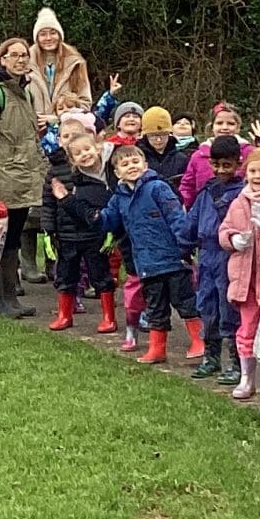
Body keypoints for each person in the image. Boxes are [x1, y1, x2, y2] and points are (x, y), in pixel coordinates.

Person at [0, 37, 45, 319]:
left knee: (13, 238)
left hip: (22, 179)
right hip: (1, 179)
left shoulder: (26, 93)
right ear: (2, 60)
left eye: (25, 55)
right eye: (13, 55)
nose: (20, 60)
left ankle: (11, 298)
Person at [102, 143, 195, 367]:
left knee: (185, 303)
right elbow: (108, 221)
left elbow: (177, 218)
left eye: (135, 162)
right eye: (125, 164)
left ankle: (199, 341)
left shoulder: (158, 188)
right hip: (146, 264)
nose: (131, 167)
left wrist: (185, 247)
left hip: (173, 260)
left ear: (145, 164)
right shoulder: (119, 198)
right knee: (155, 309)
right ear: (117, 173)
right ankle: (157, 348)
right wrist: (85, 212)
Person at [218, 141, 260, 401]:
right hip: (245, 279)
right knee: (247, 329)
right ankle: (247, 378)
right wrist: (233, 239)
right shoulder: (239, 202)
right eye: (253, 172)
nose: (258, 177)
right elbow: (223, 231)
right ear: (245, 174)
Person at [181, 134, 248, 381]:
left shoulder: (242, 194)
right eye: (216, 164)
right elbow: (192, 223)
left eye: (227, 165)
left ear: (238, 163)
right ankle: (211, 357)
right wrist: (184, 246)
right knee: (206, 306)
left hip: (230, 259)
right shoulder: (206, 193)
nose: (221, 170)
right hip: (206, 256)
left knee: (229, 309)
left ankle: (237, 362)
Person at [43, 134, 115, 331]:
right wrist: (48, 232)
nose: (84, 155)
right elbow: (48, 204)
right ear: (71, 159)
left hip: (94, 235)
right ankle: (64, 315)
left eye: (87, 149)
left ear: (97, 148)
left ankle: (109, 317)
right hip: (66, 235)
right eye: (78, 153)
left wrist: (110, 231)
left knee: (101, 276)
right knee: (65, 276)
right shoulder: (56, 174)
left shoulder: (104, 176)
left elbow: (107, 207)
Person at [26, 9, 93, 128]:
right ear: (37, 38)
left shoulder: (75, 63)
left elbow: (85, 103)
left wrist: (59, 118)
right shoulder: (25, 63)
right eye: (43, 34)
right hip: (33, 131)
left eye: (53, 33)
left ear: (60, 35)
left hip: (68, 132)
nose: (48, 38)